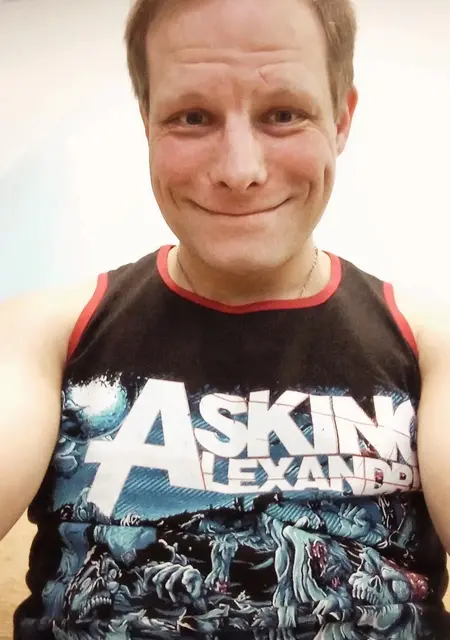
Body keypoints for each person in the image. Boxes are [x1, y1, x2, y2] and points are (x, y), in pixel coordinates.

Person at [1, 0, 450, 637]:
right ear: (148, 124)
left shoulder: (430, 345)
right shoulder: (43, 337)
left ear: (341, 121)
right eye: (193, 117)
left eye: (283, 114)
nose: (240, 171)